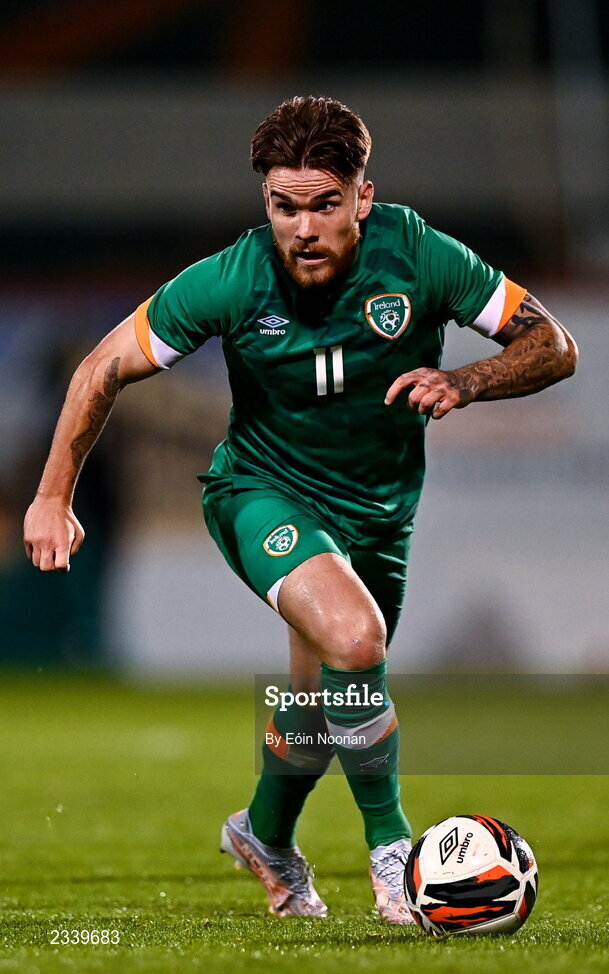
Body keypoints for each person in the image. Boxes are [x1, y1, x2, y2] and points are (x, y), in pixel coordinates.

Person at [24, 96, 578, 924]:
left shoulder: (417, 253)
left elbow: (553, 346)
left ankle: (264, 834)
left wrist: (466, 380)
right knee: (358, 641)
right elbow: (100, 367)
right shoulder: (235, 278)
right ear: (266, 203)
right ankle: (393, 855)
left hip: (379, 516)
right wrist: (52, 494)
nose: (303, 228)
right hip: (261, 492)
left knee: (321, 708)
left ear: (363, 196)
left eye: (324, 203)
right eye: (285, 206)